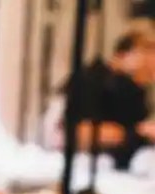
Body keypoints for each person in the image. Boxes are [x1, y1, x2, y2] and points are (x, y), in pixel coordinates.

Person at [56, 20, 155, 172]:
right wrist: (138, 132)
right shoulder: (91, 79)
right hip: (85, 168)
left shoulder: (135, 91)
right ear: (132, 51)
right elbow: (81, 134)